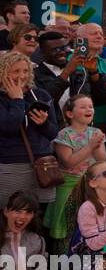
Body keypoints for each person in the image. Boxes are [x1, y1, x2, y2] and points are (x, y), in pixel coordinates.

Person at [46, 95, 106, 253]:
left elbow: (102, 160)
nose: (89, 109)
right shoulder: (64, 134)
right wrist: (90, 146)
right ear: (70, 114)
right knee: (68, 225)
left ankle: (88, 261)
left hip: (91, 186)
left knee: (90, 225)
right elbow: (69, 162)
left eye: (91, 106)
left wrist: (97, 144)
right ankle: (63, 264)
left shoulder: (95, 132)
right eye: (83, 107)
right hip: (69, 186)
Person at [0, 52, 59, 210]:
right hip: (12, 165)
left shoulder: (40, 94)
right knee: (10, 213)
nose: (22, 76)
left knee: (37, 216)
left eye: (25, 71)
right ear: (3, 73)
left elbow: (54, 133)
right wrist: (18, 100)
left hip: (42, 165)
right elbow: (9, 127)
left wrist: (43, 124)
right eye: (15, 71)